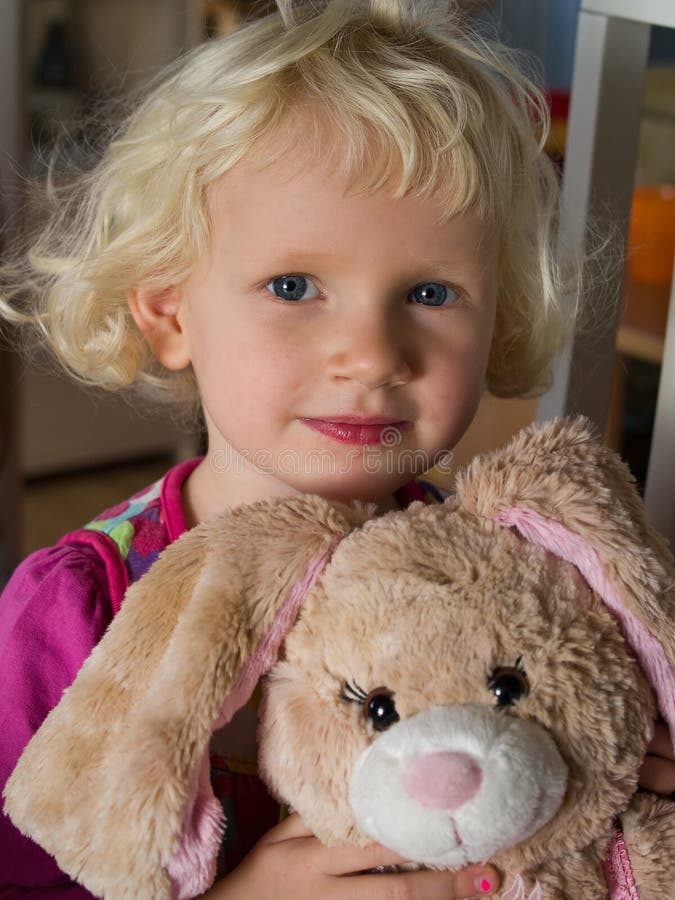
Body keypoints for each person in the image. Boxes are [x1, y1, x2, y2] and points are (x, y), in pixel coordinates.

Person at [0, 1, 672, 897]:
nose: (372, 355)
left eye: (431, 292)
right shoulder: (75, 615)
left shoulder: (508, 570)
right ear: (169, 313)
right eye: (292, 285)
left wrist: (626, 761)